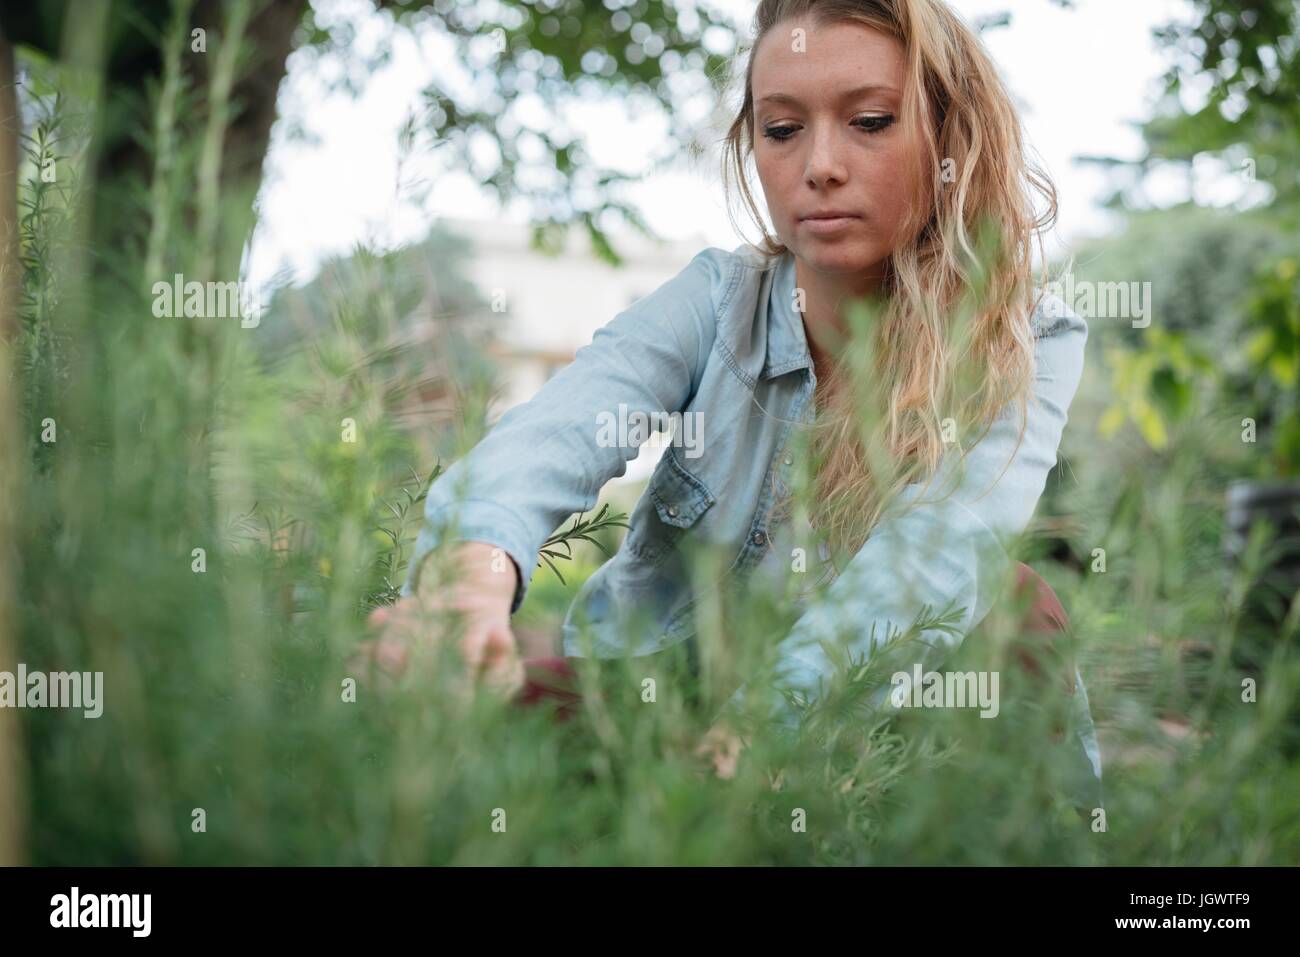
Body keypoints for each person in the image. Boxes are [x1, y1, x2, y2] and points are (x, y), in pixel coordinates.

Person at [359, 0, 1103, 812]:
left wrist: (757, 736)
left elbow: (931, 561)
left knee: (1021, 606)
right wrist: (469, 587)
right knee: (424, 679)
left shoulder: (1026, 337)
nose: (820, 164)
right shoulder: (717, 301)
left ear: (949, 136)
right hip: (652, 702)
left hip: (854, 719)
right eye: (782, 130)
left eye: (870, 120)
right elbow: (552, 434)